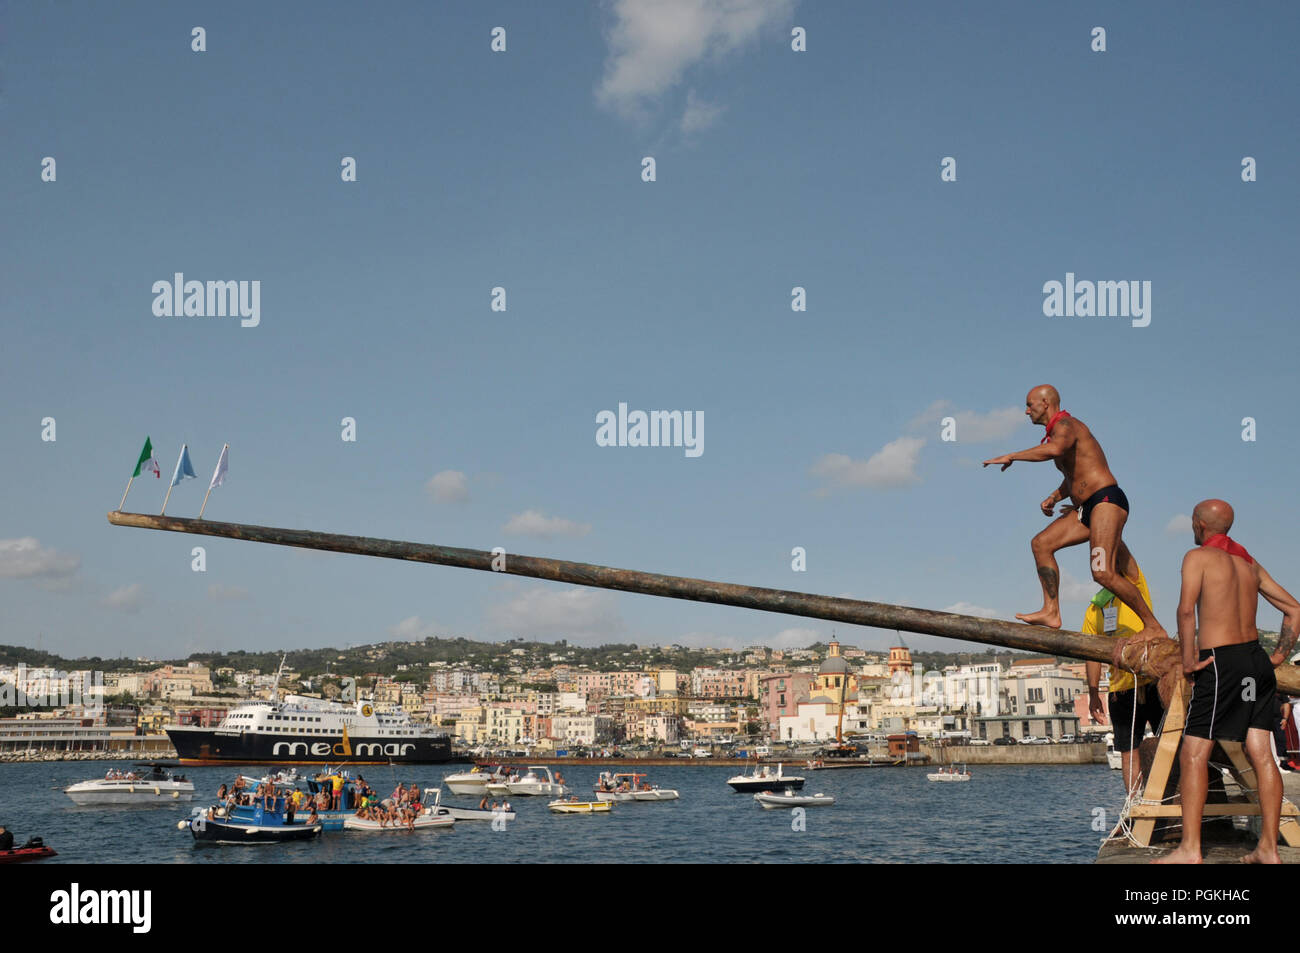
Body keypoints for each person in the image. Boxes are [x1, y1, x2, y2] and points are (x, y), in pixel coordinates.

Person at [1151, 499, 1300, 864]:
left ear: (1199, 525)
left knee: (1194, 751)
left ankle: (1190, 849)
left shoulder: (1197, 557)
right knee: (1262, 753)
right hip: (1255, 663)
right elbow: (1295, 609)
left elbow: (1186, 610)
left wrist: (1188, 659)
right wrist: (1277, 657)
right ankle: (1267, 848)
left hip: (1221, 662)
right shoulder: (1250, 564)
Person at [983, 385, 1166, 640]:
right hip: (1087, 508)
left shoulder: (1067, 425)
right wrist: (1054, 497)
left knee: (1102, 573)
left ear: (1045, 403)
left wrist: (1012, 456)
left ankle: (1153, 626)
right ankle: (1051, 611)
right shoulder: (1057, 432)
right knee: (1041, 544)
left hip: (1106, 501)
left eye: (1029, 405)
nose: (1026, 411)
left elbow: (1055, 450)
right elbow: (1075, 475)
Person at [1082, 557, 1164, 795]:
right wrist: (1094, 694)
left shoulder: (1134, 588)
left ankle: (1170, 797)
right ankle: (1134, 805)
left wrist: (1104, 527)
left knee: (1169, 743)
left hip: (1153, 681)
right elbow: (1091, 654)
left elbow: (1124, 555)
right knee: (1129, 751)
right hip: (1121, 690)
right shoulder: (1095, 607)